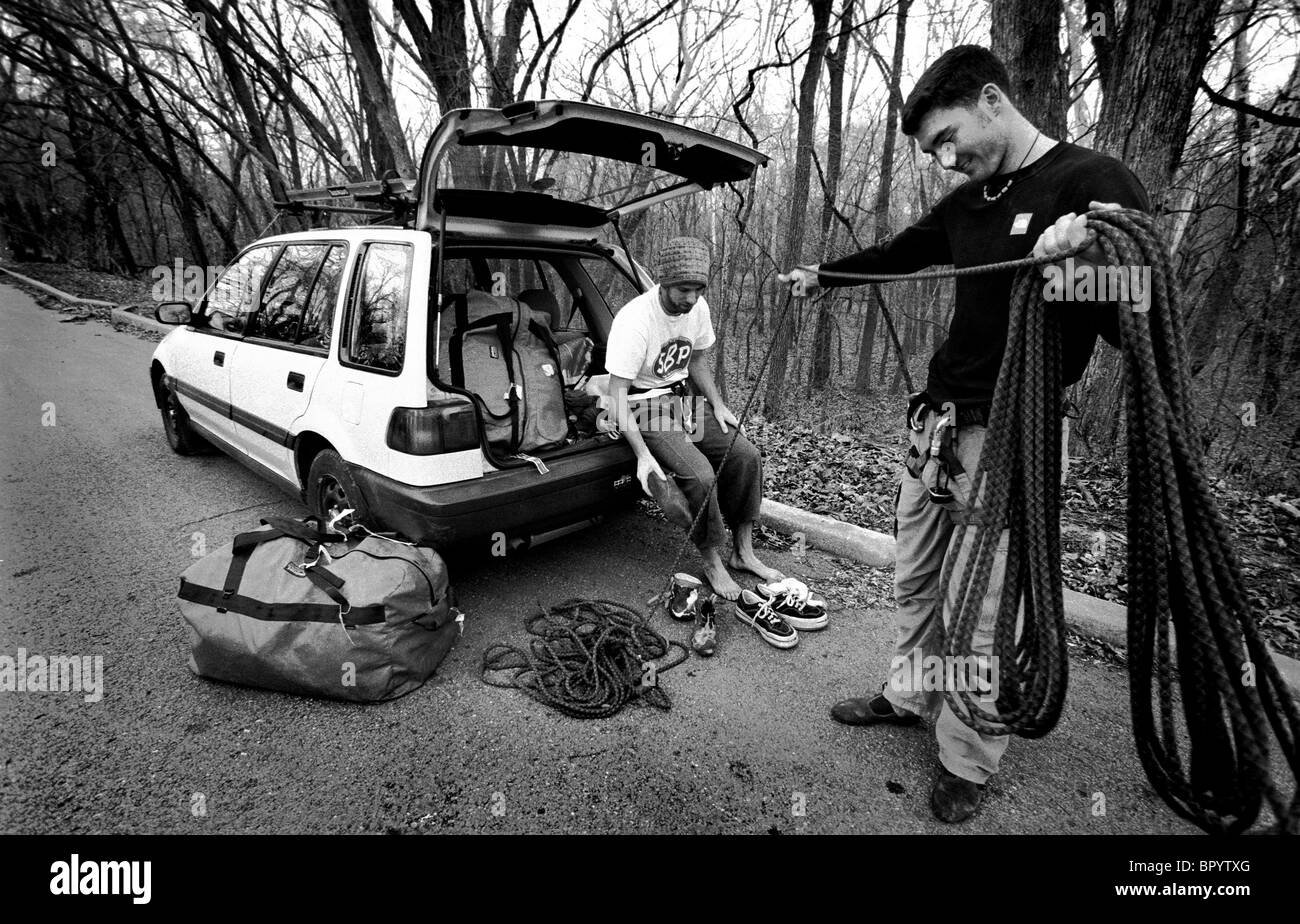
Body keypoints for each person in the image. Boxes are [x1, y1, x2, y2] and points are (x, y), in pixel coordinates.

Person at [779, 45, 1150, 823]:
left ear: (991, 99)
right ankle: (910, 694)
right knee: (914, 577)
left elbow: (1136, 317)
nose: (946, 160)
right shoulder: (969, 202)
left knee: (981, 608)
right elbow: (899, 255)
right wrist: (825, 276)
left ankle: (967, 757)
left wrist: (1082, 261)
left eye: (948, 138)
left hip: (1013, 430)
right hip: (936, 424)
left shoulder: (1090, 183)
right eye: (930, 151)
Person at [605, 236, 794, 654]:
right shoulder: (635, 320)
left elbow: (697, 361)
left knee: (744, 454)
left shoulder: (698, 309)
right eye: (683, 289)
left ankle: (743, 552)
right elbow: (616, 394)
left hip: (682, 397)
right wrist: (642, 458)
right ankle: (711, 559)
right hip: (643, 404)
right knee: (698, 474)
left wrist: (719, 405)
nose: (692, 298)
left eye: (699, 289)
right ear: (664, 283)